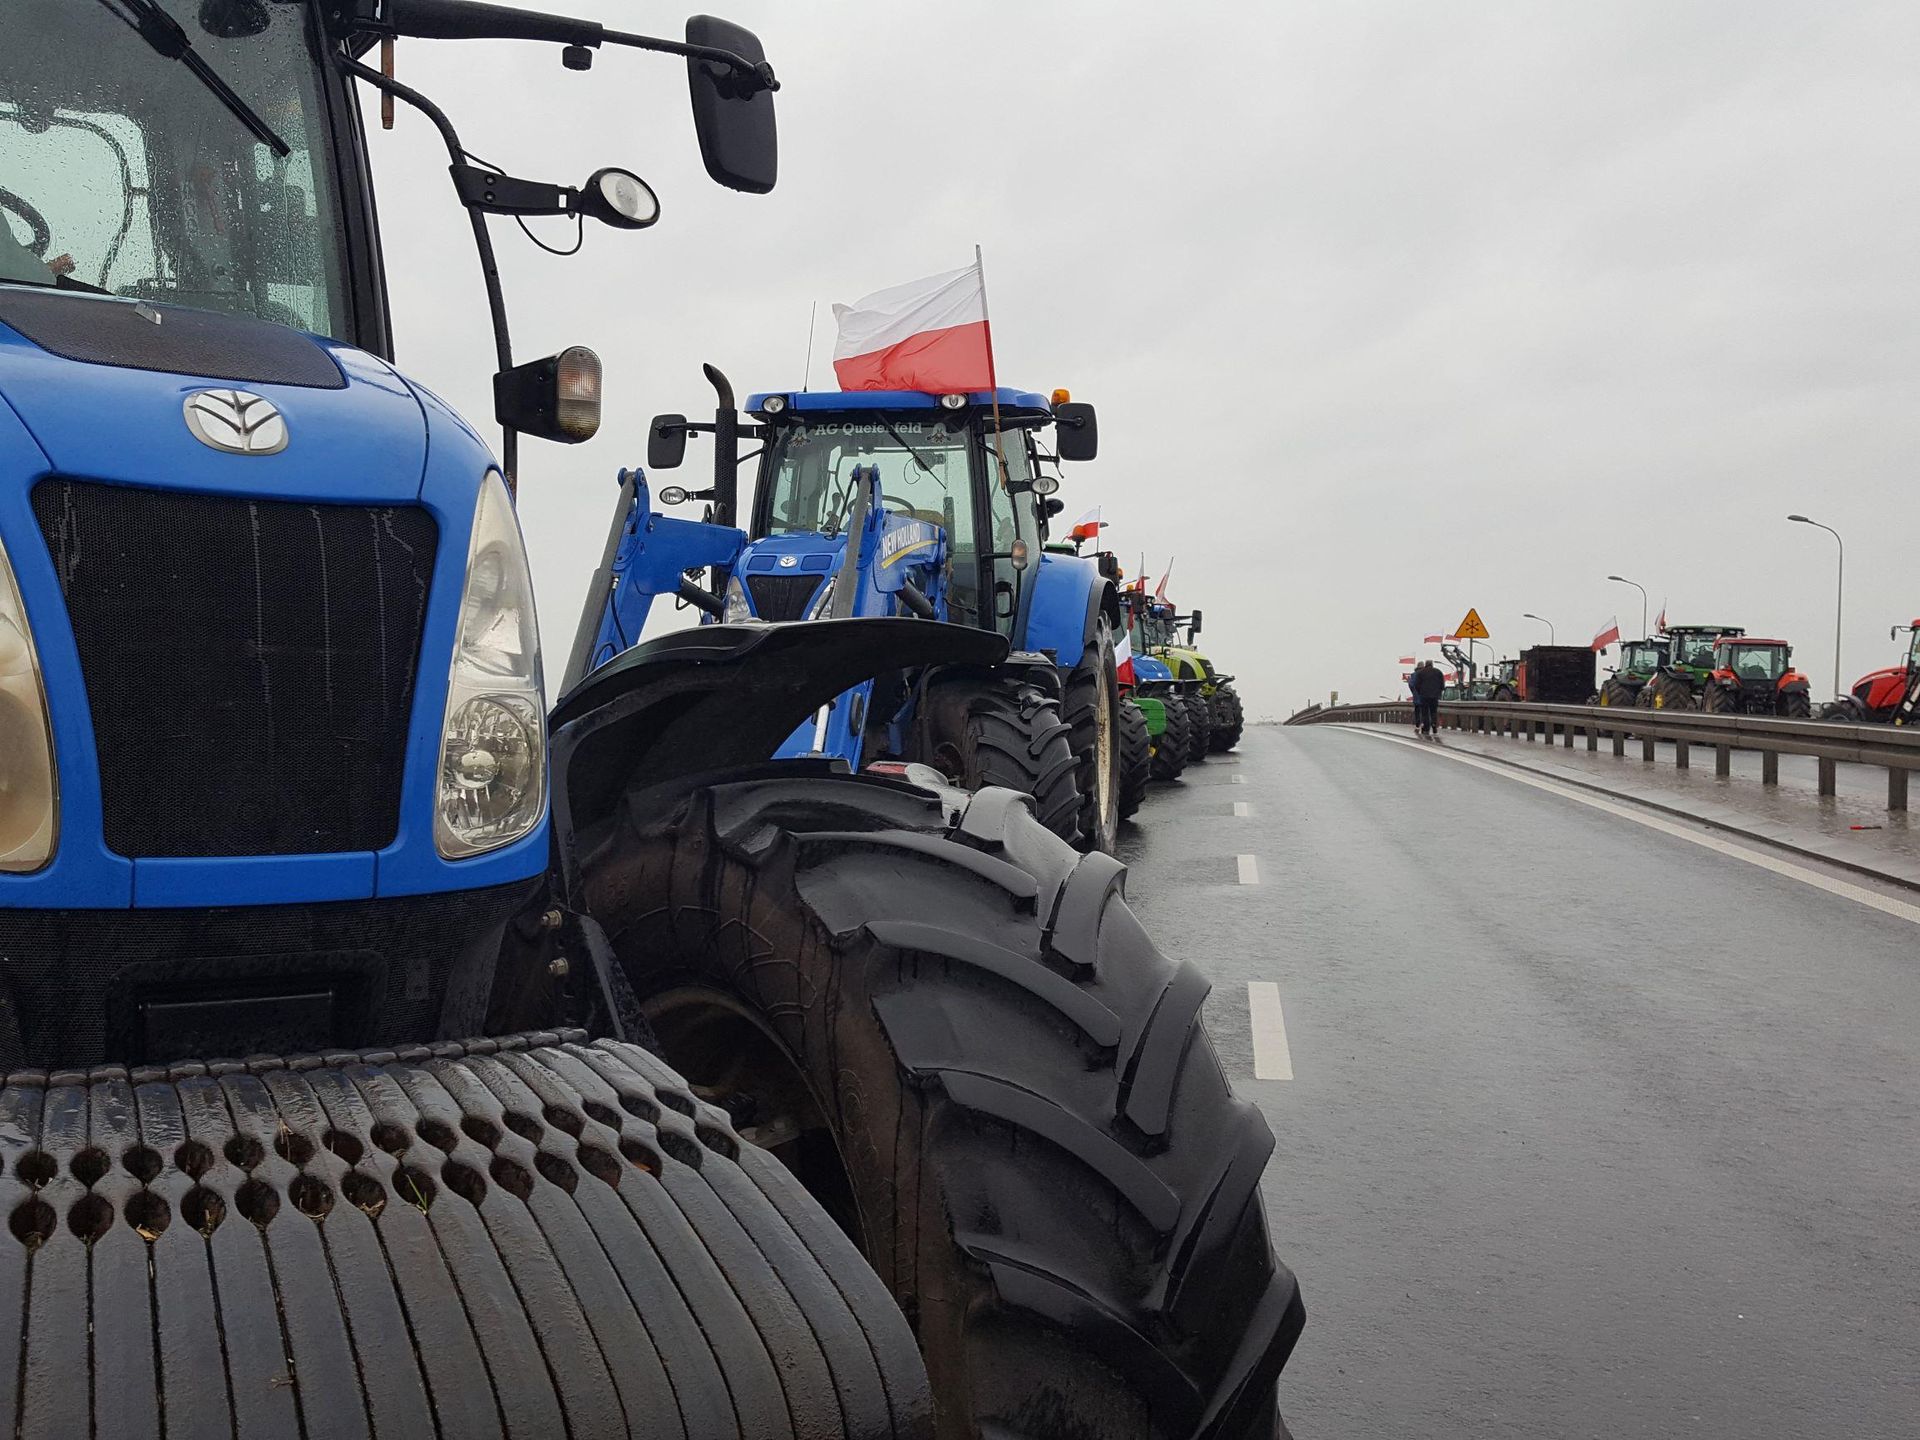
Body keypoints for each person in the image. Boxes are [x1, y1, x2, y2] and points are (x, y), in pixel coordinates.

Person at [1410, 658, 1445, 737]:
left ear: (1425, 665)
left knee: (1425, 713)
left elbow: (1416, 685)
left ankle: (1426, 728)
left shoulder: (1421, 673)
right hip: (1434, 696)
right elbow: (1442, 685)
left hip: (1424, 696)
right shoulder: (1438, 672)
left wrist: (1420, 692)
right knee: (1433, 712)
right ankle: (1434, 727)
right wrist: (1438, 692)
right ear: (1432, 664)